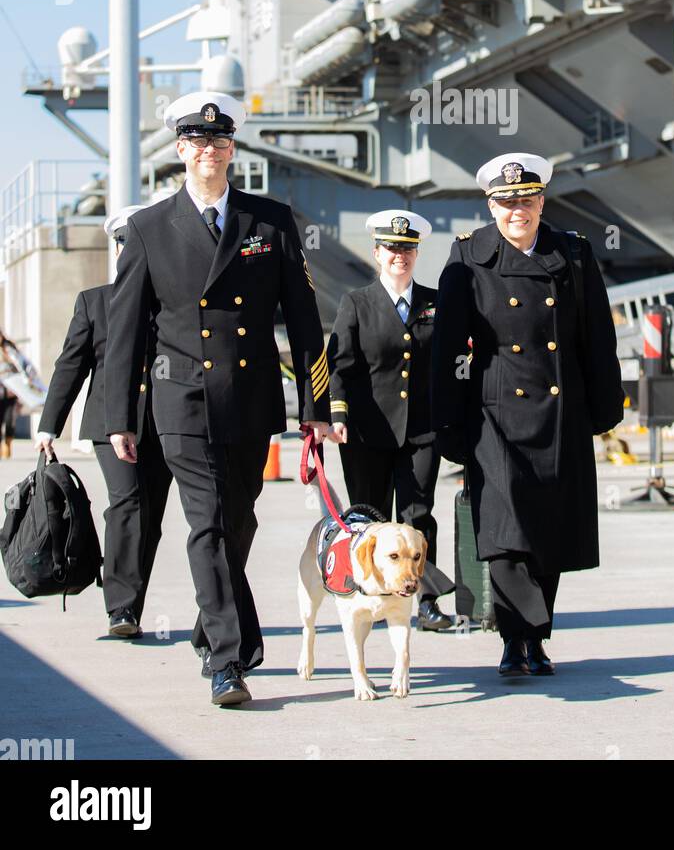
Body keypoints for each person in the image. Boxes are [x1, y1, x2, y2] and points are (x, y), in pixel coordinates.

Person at [104, 89, 341, 707]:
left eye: (220, 141)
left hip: (251, 397)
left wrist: (316, 410)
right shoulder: (149, 228)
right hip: (180, 399)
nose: (210, 151)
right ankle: (228, 662)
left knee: (238, 521)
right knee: (206, 522)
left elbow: (305, 318)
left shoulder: (270, 221)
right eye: (198, 142)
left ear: (232, 149)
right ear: (180, 150)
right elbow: (125, 330)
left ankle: (212, 625)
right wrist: (118, 418)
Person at [430, 153, 624, 678]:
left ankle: (533, 641)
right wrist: (446, 419)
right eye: (506, 201)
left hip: (560, 412)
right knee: (505, 530)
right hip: (494, 414)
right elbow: (447, 344)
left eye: (527, 199)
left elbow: (596, 337)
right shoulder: (468, 257)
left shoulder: (575, 254)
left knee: (547, 533)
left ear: (542, 201)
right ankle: (517, 640)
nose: (518, 209)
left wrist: (606, 406)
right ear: (490, 206)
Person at [35, 206, 173, 638]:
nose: (128, 251)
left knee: (150, 517)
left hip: (165, 425)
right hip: (109, 424)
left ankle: (132, 600)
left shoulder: (171, 304)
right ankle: (121, 607)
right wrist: (48, 425)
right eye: (123, 244)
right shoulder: (94, 302)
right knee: (128, 504)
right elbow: (70, 367)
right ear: (116, 250)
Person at [326, 209, 453, 632]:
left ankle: (427, 600)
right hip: (367, 432)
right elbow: (340, 365)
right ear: (377, 253)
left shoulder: (436, 303)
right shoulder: (356, 303)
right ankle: (372, 593)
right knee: (371, 521)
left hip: (421, 430)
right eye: (393, 248)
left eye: (408, 248)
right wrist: (337, 414)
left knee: (419, 516)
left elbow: (453, 361)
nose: (401, 255)